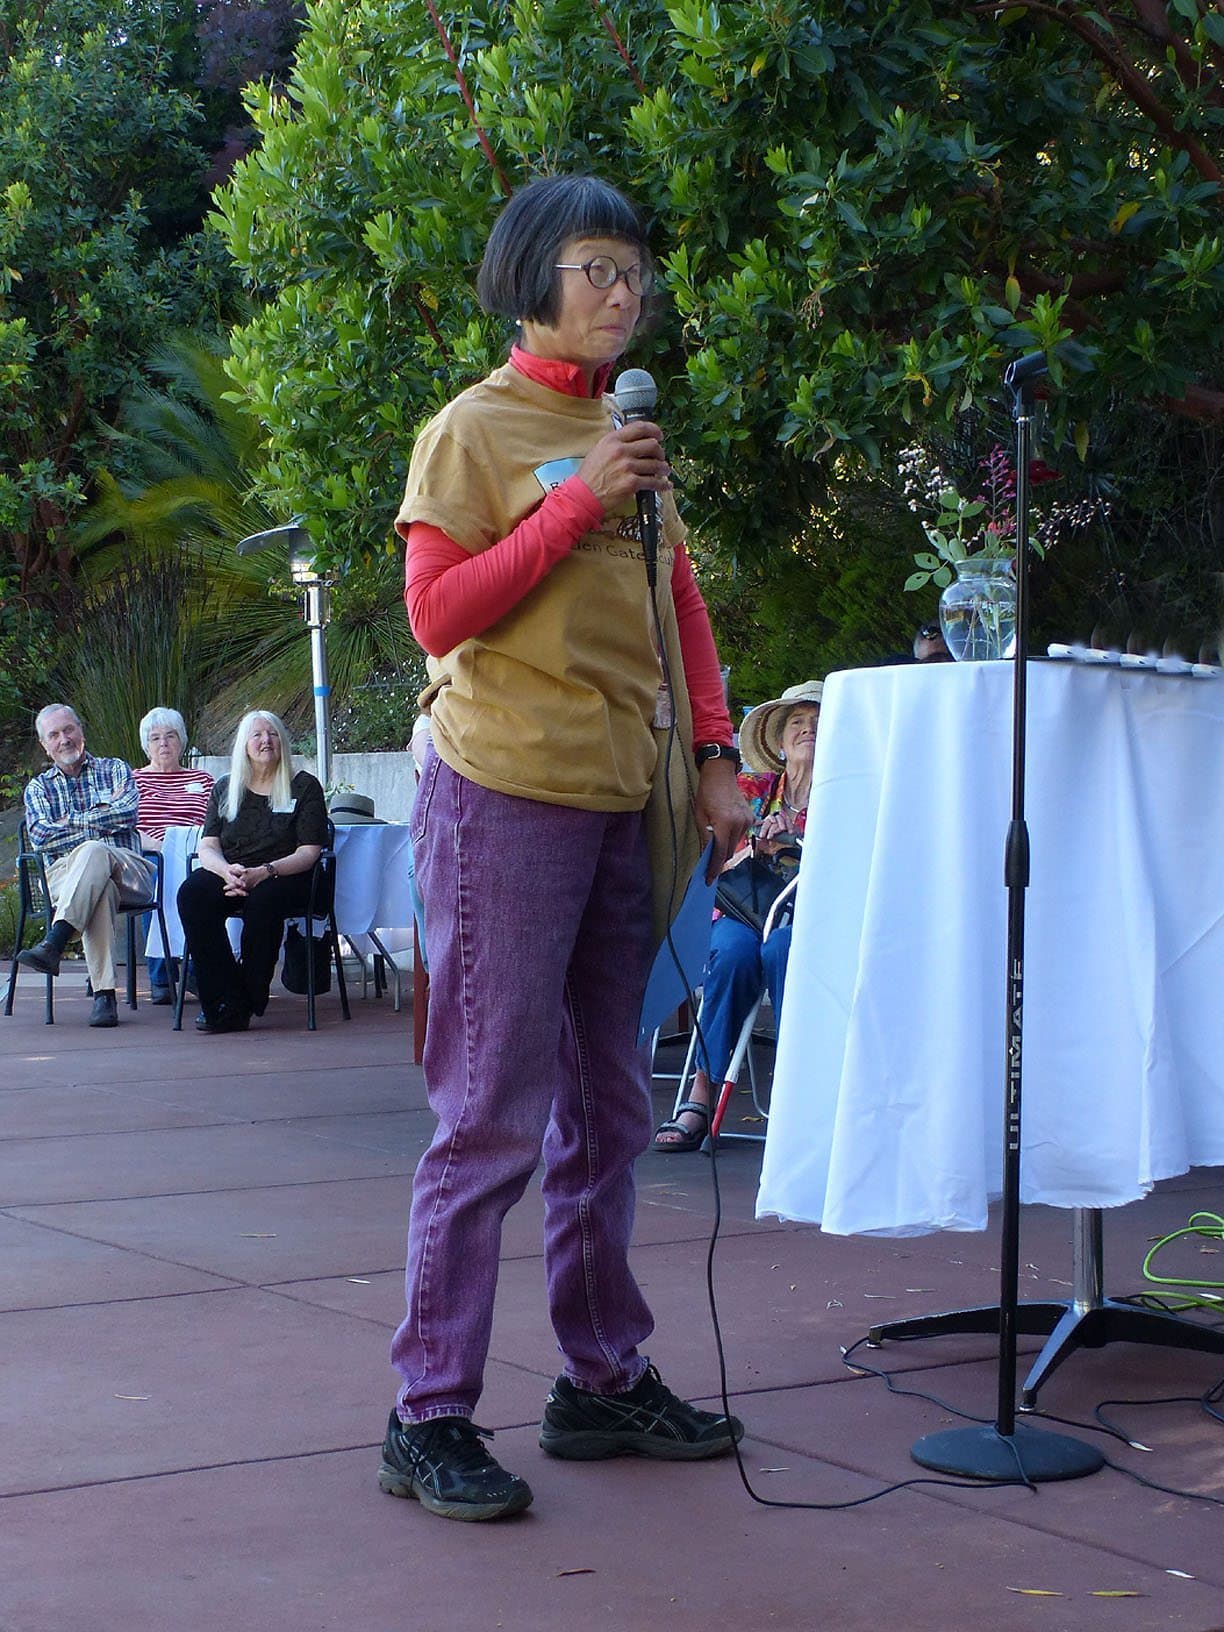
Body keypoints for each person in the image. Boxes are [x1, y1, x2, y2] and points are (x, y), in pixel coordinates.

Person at [380, 172, 750, 1523]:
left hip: (624, 796)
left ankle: (600, 1377)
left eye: (633, 270)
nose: (623, 290)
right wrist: (575, 502)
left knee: (610, 1103)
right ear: (532, 278)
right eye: (596, 267)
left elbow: (684, 603)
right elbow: (436, 617)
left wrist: (715, 755)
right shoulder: (472, 432)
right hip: (507, 789)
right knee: (489, 1114)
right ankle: (427, 1413)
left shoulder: (628, 435)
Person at [654, 681, 822, 1152]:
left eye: (818, 724)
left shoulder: (844, 799)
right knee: (730, 953)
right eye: (797, 723)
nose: (807, 731)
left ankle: (801, 1094)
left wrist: (799, 840)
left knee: (784, 949)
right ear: (780, 740)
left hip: (811, 918)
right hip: (744, 909)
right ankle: (700, 1094)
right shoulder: (752, 790)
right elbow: (707, 858)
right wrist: (754, 846)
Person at [176, 710, 327, 1034]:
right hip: (234, 871)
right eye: (257, 735)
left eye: (272, 734)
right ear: (244, 745)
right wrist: (226, 871)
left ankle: (245, 1000)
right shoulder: (226, 787)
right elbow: (208, 846)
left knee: (264, 901)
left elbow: (309, 852)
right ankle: (224, 999)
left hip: (285, 874)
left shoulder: (303, 786)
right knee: (193, 895)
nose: (265, 741)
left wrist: (265, 871)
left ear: (283, 742)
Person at [18, 704, 155, 1029]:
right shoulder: (38, 788)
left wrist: (70, 824)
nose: (64, 739)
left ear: (81, 730)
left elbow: (127, 814)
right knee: (99, 884)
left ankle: (56, 939)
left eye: (69, 730)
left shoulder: (116, 769)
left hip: (128, 871)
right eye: (54, 735)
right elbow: (41, 837)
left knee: (94, 853)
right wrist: (98, 821)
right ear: (44, 744)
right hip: (63, 876)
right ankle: (104, 996)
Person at [132, 707, 214, 1003]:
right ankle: (162, 975)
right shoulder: (133, 780)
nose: (163, 743)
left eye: (170, 736)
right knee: (160, 876)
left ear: (182, 741)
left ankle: (195, 968)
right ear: (146, 745)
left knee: (203, 881)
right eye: (155, 738)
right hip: (152, 853)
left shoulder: (203, 780)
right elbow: (124, 827)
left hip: (196, 852)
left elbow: (217, 821)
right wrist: (159, 846)